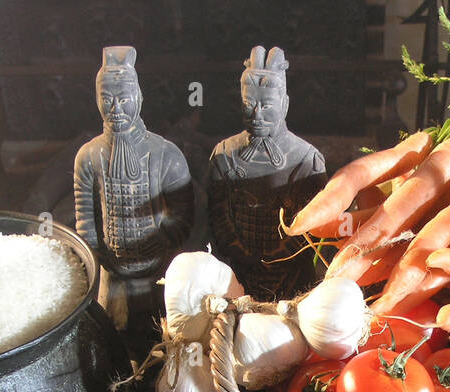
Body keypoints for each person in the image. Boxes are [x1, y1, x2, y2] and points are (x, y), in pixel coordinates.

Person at [75, 46, 194, 333]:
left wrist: (163, 239)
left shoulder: (166, 153)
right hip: (112, 275)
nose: (115, 108)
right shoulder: (89, 156)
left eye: (123, 99)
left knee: (166, 339)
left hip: (160, 273)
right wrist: (98, 255)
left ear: (139, 98)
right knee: (112, 340)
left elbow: (183, 211)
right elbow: (85, 216)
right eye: (106, 99)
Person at [207, 46, 325, 300]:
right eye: (249, 104)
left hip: (293, 280)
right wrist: (242, 252)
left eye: (267, 105)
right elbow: (218, 217)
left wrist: (278, 255)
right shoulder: (224, 155)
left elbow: (313, 227)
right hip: (239, 276)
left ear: (285, 104)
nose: (257, 114)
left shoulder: (307, 160)